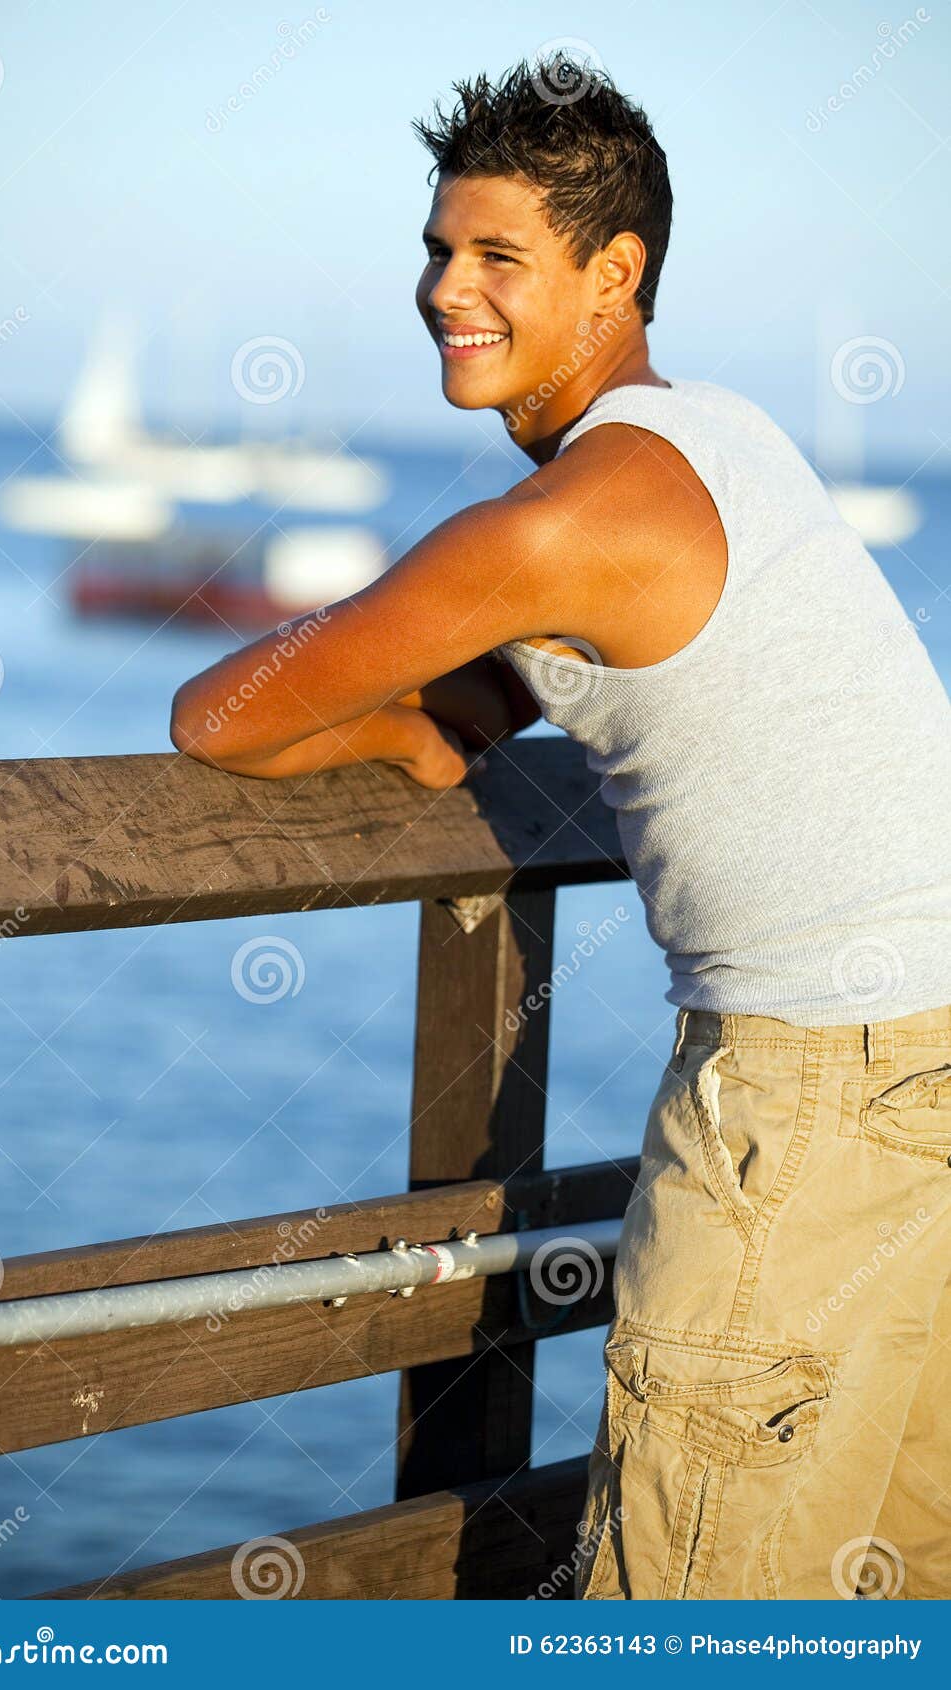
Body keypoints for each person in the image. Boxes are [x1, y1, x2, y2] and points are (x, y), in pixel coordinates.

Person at [170, 58, 951, 1600]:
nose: (444, 290)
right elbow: (487, 699)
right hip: (921, 1063)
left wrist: (393, 723)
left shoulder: (555, 524)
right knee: (885, 1586)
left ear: (615, 274)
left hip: (809, 1091)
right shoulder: (719, 435)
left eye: (497, 256)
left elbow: (221, 714)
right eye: (437, 249)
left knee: (686, 1592)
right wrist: (425, 716)